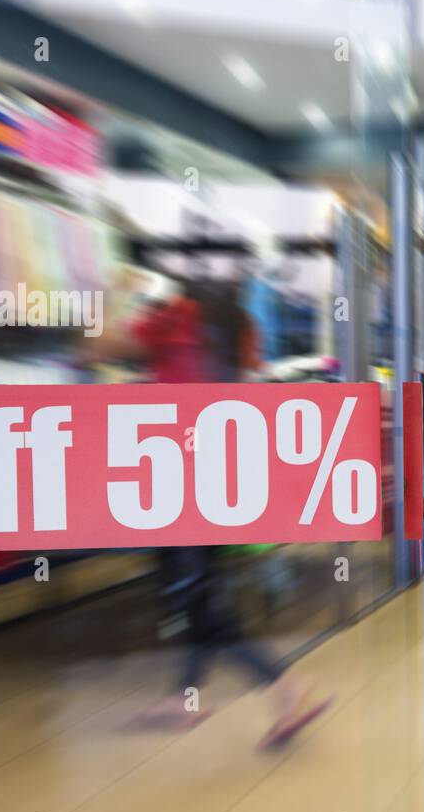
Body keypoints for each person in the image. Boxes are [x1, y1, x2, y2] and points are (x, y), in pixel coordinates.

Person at [113, 277, 330, 746]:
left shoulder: (175, 318)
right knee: (198, 593)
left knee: (197, 601)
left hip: (176, 478)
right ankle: (183, 697)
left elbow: (105, 342)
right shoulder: (240, 328)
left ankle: (284, 687)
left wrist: (110, 292)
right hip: (216, 479)